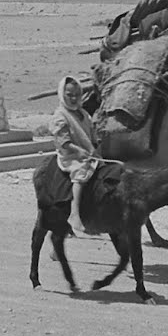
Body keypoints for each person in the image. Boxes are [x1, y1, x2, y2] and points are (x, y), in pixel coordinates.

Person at [50, 74, 99, 235]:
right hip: (70, 156)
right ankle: (74, 213)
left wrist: (95, 148)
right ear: (62, 94)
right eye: (69, 95)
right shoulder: (60, 116)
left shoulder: (84, 114)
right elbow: (63, 141)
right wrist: (78, 150)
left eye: (77, 95)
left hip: (88, 153)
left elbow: (92, 135)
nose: (73, 98)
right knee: (81, 172)